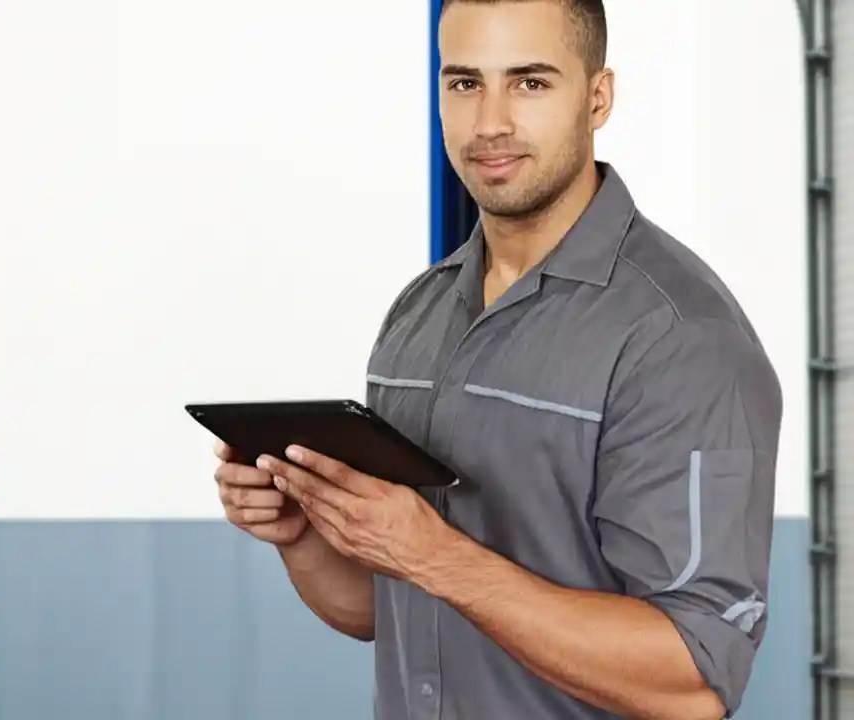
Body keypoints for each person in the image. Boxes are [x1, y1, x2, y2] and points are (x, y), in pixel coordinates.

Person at [212, 0, 783, 718]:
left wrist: (435, 556)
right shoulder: (418, 316)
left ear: (597, 97)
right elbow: (385, 611)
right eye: (464, 83)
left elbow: (694, 682)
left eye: (530, 83)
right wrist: (302, 536)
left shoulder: (678, 338)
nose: (490, 123)